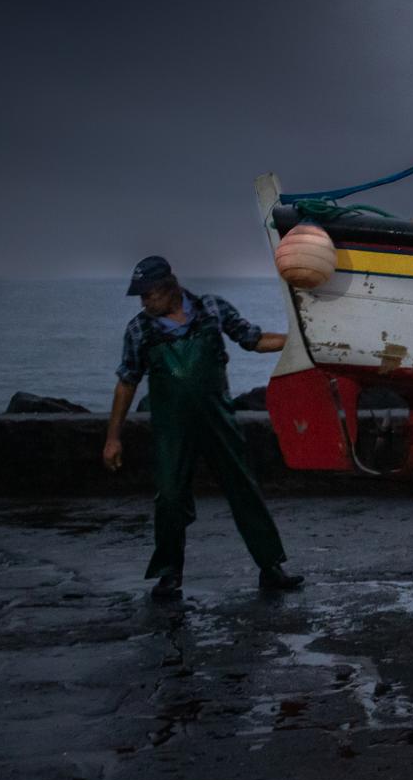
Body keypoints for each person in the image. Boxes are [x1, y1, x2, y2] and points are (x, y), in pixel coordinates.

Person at [102, 256, 304, 598]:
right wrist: (112, 438)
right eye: (141, 296)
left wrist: (297, 341)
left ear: (170, 288)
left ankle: (271, 567)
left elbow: (252, 339)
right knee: (169, 497)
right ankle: (169, 574)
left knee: (244, 489)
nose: (143, 301)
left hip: (219, 420)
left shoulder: (212, 308)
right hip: (171, 428)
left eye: (148, 294)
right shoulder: (139, 329)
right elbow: (127, 382)